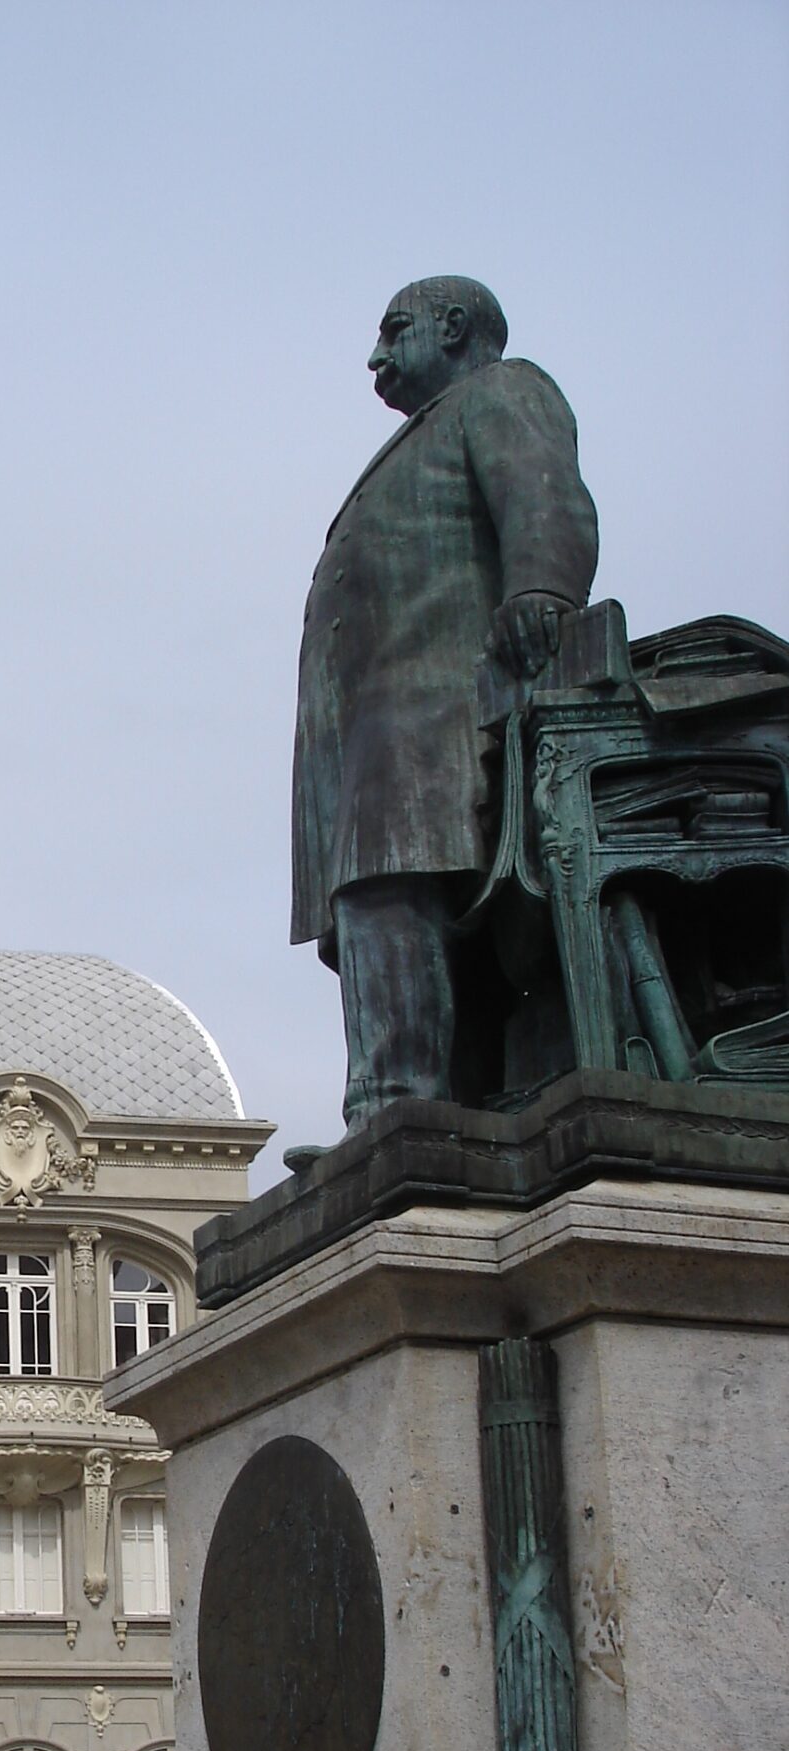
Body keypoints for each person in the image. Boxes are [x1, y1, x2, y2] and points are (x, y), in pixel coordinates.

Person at [292, 276, 599, 1123]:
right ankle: (432, 1109)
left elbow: (544, 493)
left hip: (443, 717)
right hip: (383, 733)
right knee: (387, 901)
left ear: (454, 327)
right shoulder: (422, 435)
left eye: (395, 331)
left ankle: (395, 1106)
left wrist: (541, 587)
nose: (376, 356)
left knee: (388, 886)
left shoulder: (501, 392)